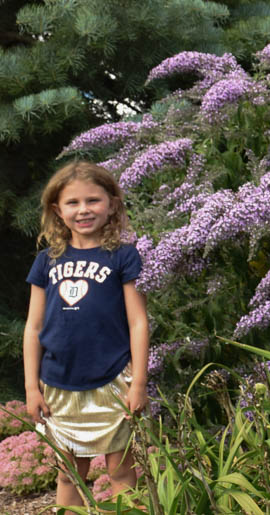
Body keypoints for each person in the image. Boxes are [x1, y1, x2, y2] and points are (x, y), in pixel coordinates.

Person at [23, 161, 149, 507]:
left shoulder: (123, 257)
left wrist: (139, 383)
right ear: (57, 210)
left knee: (122, 472)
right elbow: (33, 327)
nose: (83, 210)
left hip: (114, 381)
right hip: (58, 384)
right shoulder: (46, 261)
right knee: (69, 474)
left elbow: (138, 322)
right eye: (73, 202)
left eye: (93, 200)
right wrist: (31, 387)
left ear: (112, 204)